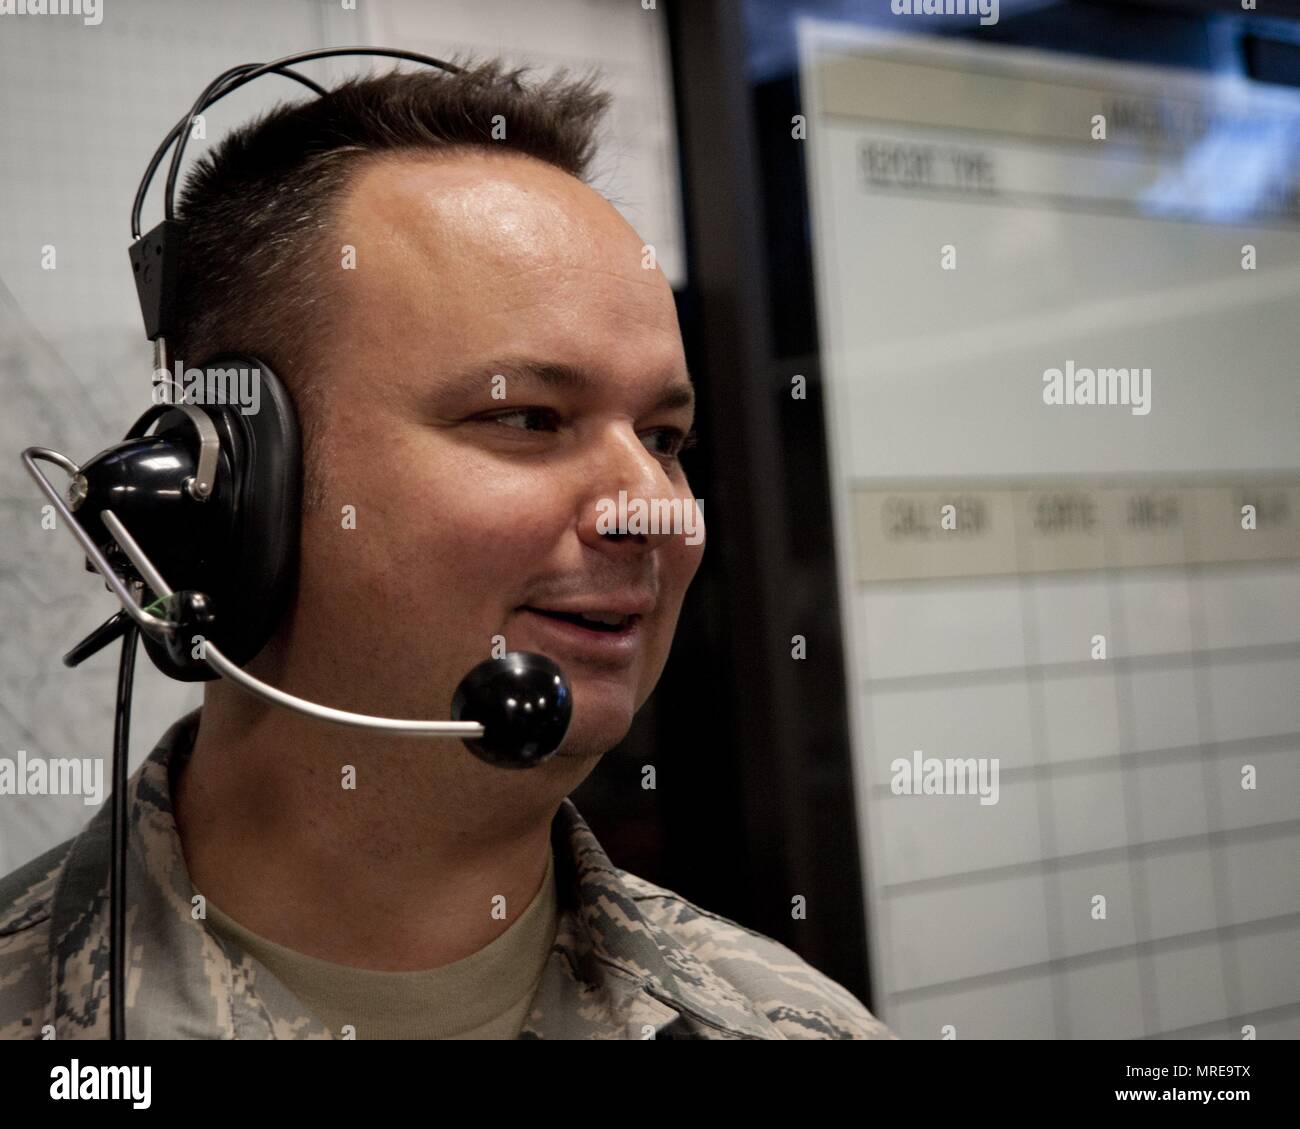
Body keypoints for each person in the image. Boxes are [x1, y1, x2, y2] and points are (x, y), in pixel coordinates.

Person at [0, 59, 895, 1040]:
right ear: (230, 493)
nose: (655, 510)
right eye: (527, 417)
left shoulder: (794, 1024)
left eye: (665, 439)